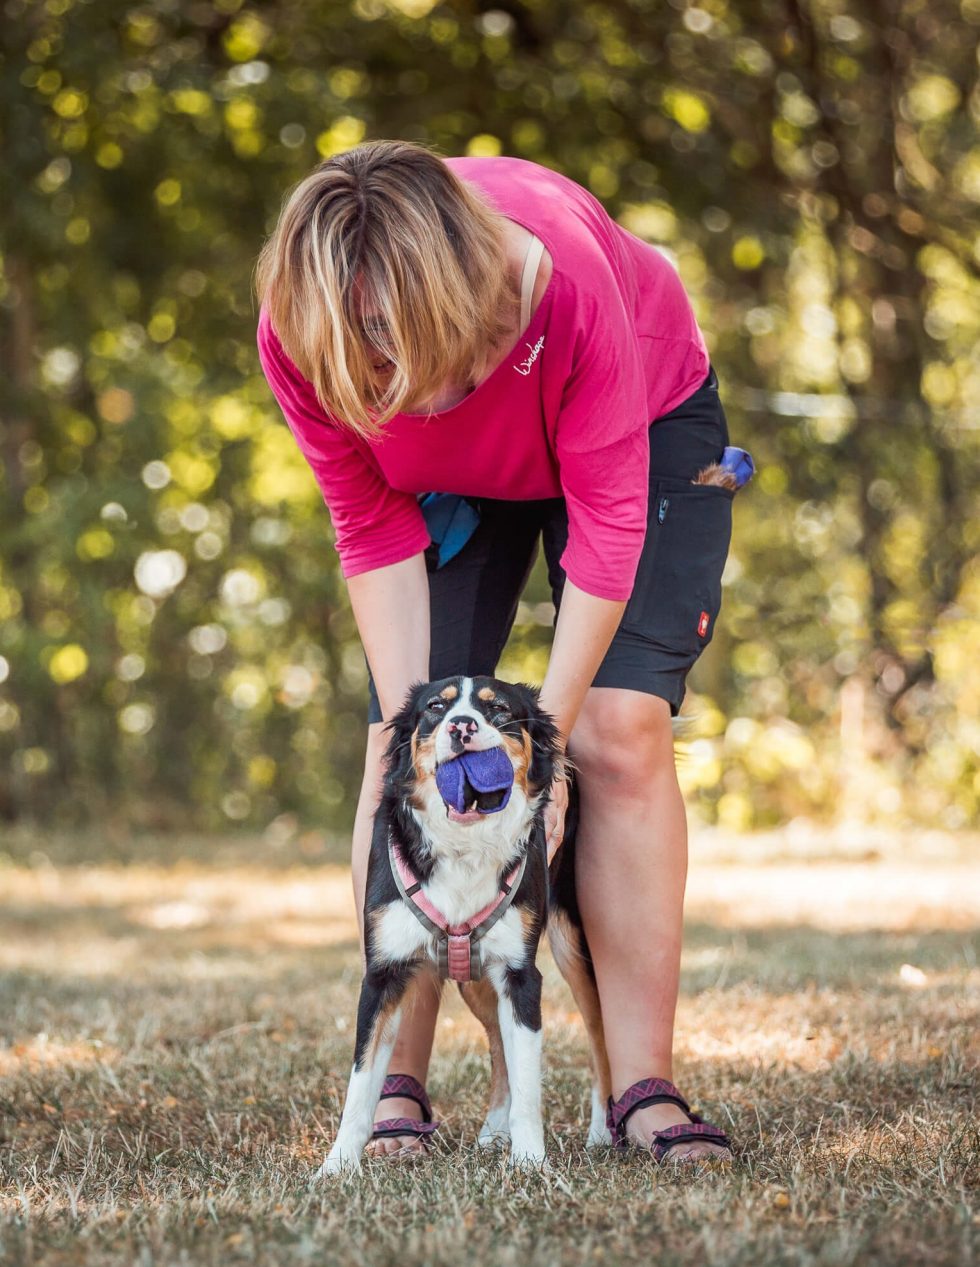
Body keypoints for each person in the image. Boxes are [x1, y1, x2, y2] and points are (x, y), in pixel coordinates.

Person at [254, 140, 737, 1163]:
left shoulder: (563, 285)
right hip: (448, 485)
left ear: (460, 296)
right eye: (365, 358)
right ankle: (396, 1080)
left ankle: (640, 1090)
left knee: (615, 732)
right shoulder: (301, 328)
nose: (392, 386)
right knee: (398, 750)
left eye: (403, 346)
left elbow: (608, 526)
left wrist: (543, 756)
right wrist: (416, 738)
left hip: (640, 418)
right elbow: (368, 525)